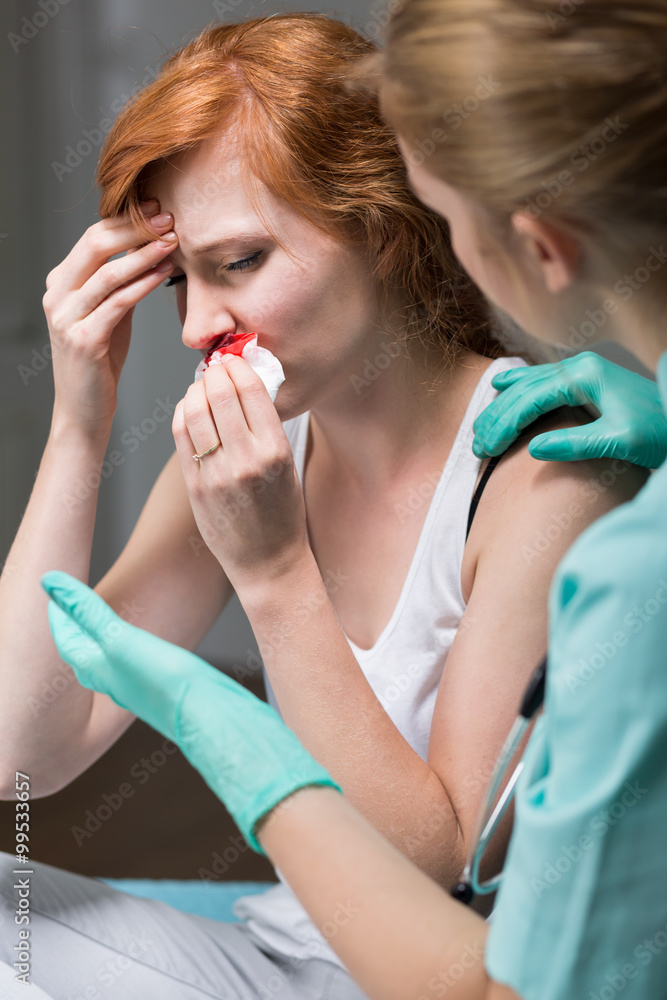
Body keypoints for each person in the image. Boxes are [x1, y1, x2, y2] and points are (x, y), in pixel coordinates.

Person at [0, 9, 654, 1000]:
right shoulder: (253, 458)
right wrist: (78, 424)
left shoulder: (539, 467)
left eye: (241, 263)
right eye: (179, 279)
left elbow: (442, 865)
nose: (198, 328)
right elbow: (21, 761)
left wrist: (274, 579)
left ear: (384, 234)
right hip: (276, 960)